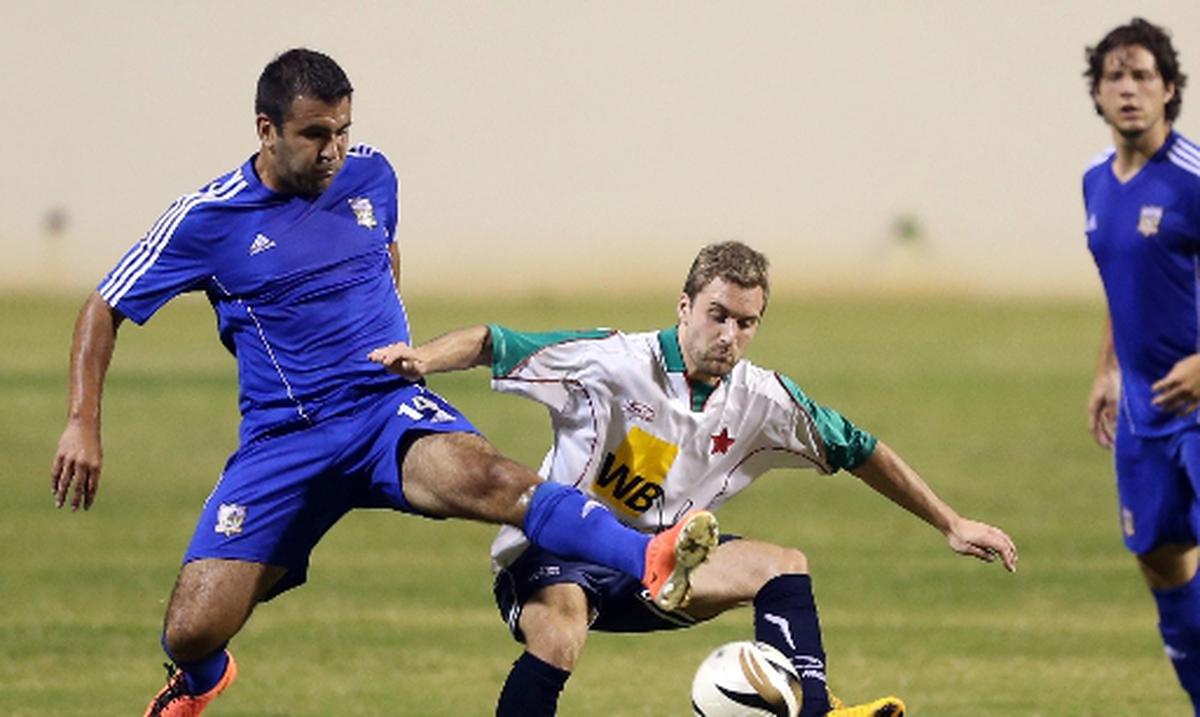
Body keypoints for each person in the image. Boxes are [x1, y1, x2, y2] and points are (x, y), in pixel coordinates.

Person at [48, 48, 719, 717]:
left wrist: (388, 338)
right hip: (285, 440)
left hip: (384, 411)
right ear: (266, 129)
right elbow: (103, 305)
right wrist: (82, 421)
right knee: (191, 628)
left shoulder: (372, 174)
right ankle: (200, 677)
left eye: (341, 129)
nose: (333, 149)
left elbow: (383, 252)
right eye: (315, 134)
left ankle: (652, 555)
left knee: (493, 479)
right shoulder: (208, 218)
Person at [369, 240, 1019, 717]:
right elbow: (493, 340)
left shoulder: (765, 400)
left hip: (663, 570)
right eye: (717, 314)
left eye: (746, 322)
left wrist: (952, 521)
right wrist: (423, 356)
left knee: (783, 564)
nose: (729, 335)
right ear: (684, 305)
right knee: (561, 633)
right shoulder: (613, 359)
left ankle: (815, 711)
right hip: (553, 556)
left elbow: (860, 448)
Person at [1083, 18, 1200, 713]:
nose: (1128, 89)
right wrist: (1108, 368)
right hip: (1142, 412)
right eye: (1115, 77)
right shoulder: (1096, 183)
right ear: (1097, 95)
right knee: (1160, 557)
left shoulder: (1191, 178)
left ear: (1170, 90)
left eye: (1142, 76)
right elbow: (1120, 279)